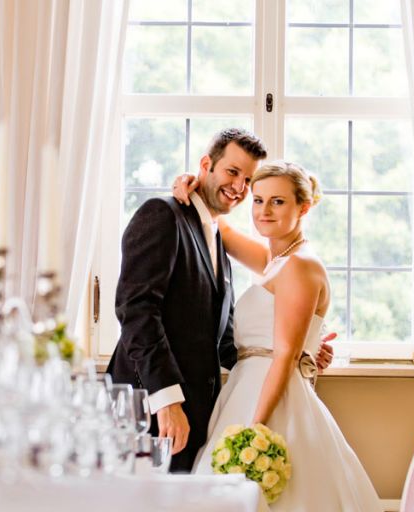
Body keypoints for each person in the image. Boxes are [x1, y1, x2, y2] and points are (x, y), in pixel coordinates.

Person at [106, 129, 332, 472]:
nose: (240, 187)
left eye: (248, 180)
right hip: (151, 405)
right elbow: (136, 309)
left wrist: (305, 348)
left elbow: (220, 337)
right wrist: (165, 400)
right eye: (232, 172)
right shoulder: (164, 215)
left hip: (202, 410)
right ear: (206, 165)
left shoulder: (216, 237)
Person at [173, 161, 380, 510]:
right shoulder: (276, 259)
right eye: (257, 200)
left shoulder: (301, 265)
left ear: (304, 206)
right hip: (245, 390)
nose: (263, 211)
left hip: (270, 402)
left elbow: (284, 354)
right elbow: (219, 226)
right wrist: (191, 184)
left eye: (278, 202)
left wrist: (254, 428)